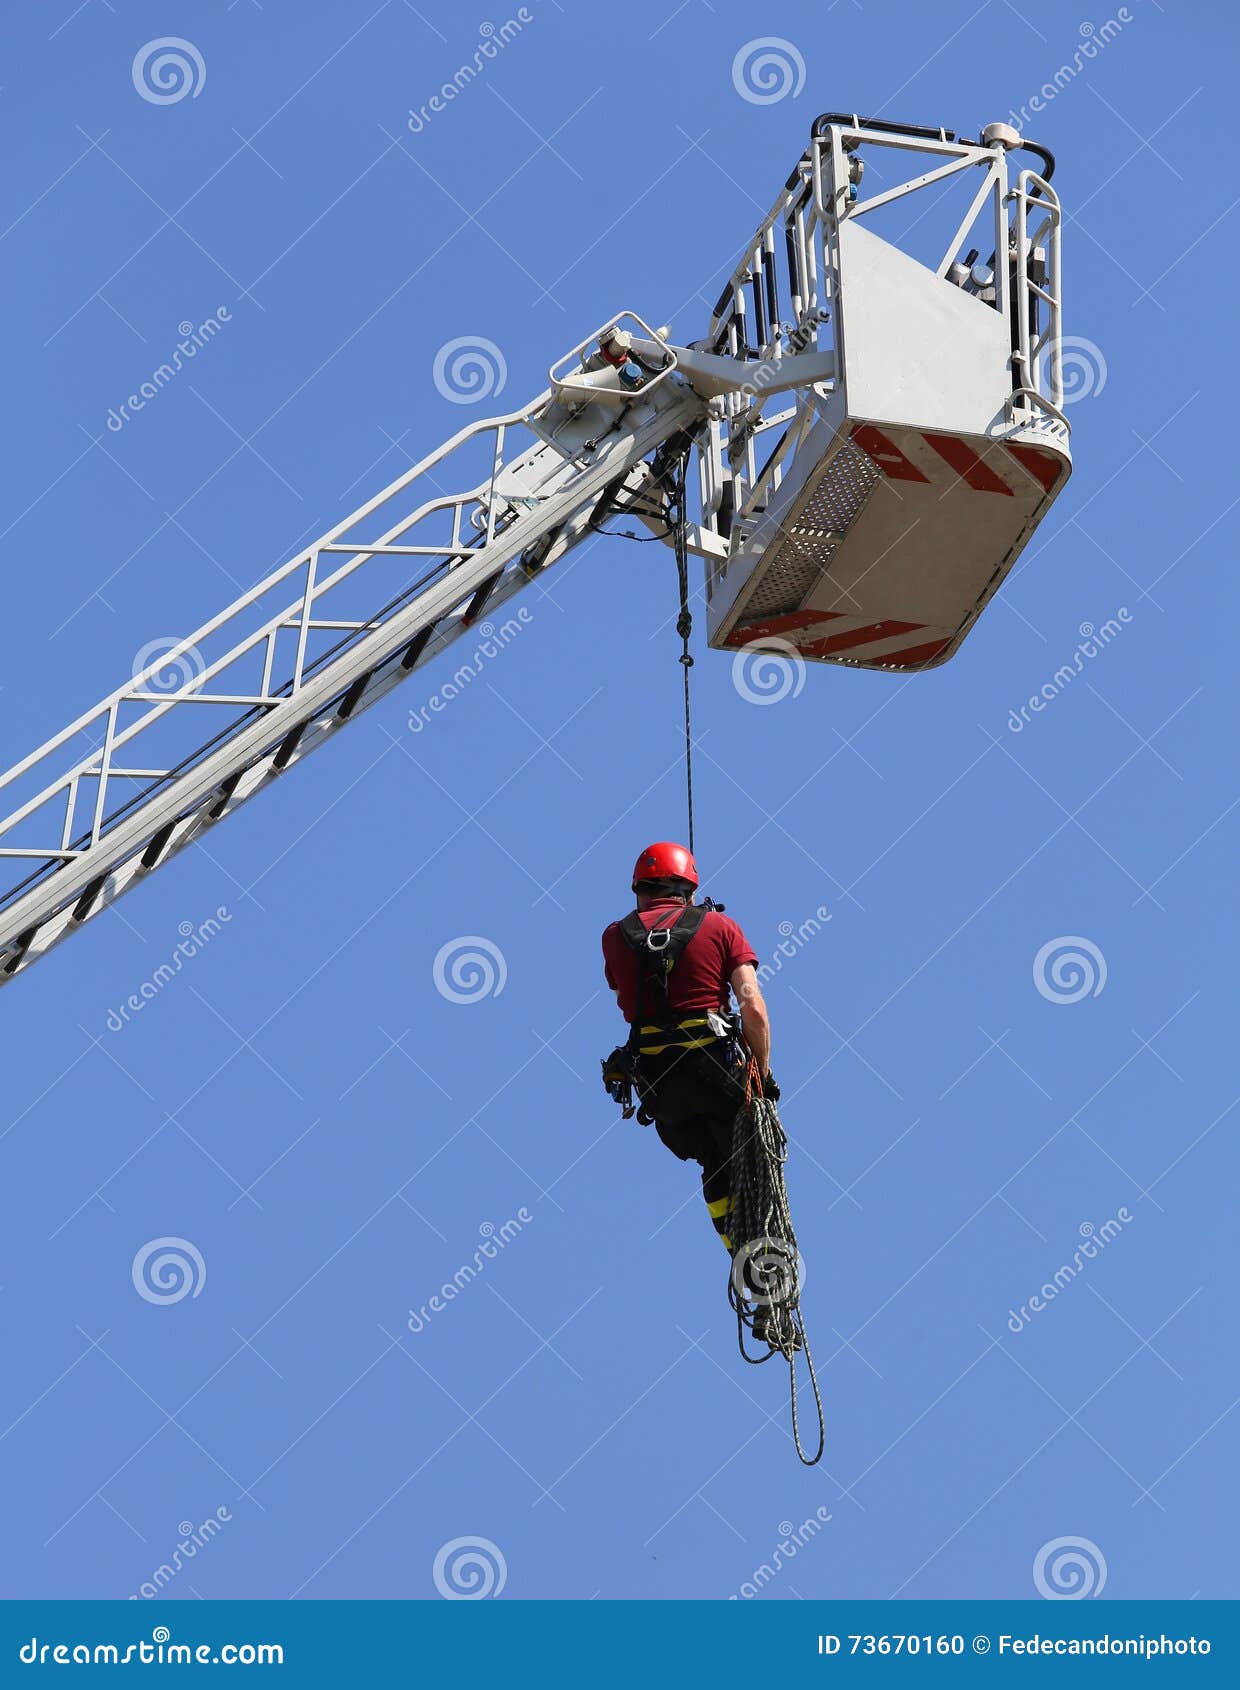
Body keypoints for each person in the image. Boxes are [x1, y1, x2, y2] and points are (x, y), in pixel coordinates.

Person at [601, 841, 786, 1341]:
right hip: (719, 1076)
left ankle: (744, 1263)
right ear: (689, 888)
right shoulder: (720, 928)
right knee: (757, 1169)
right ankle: (769, 1278)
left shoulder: (615, 938)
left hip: (664, 1092)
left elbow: (627, 1000)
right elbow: (753, 1007)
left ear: (640, 890)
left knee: (715, 1168)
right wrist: (763, 1074)